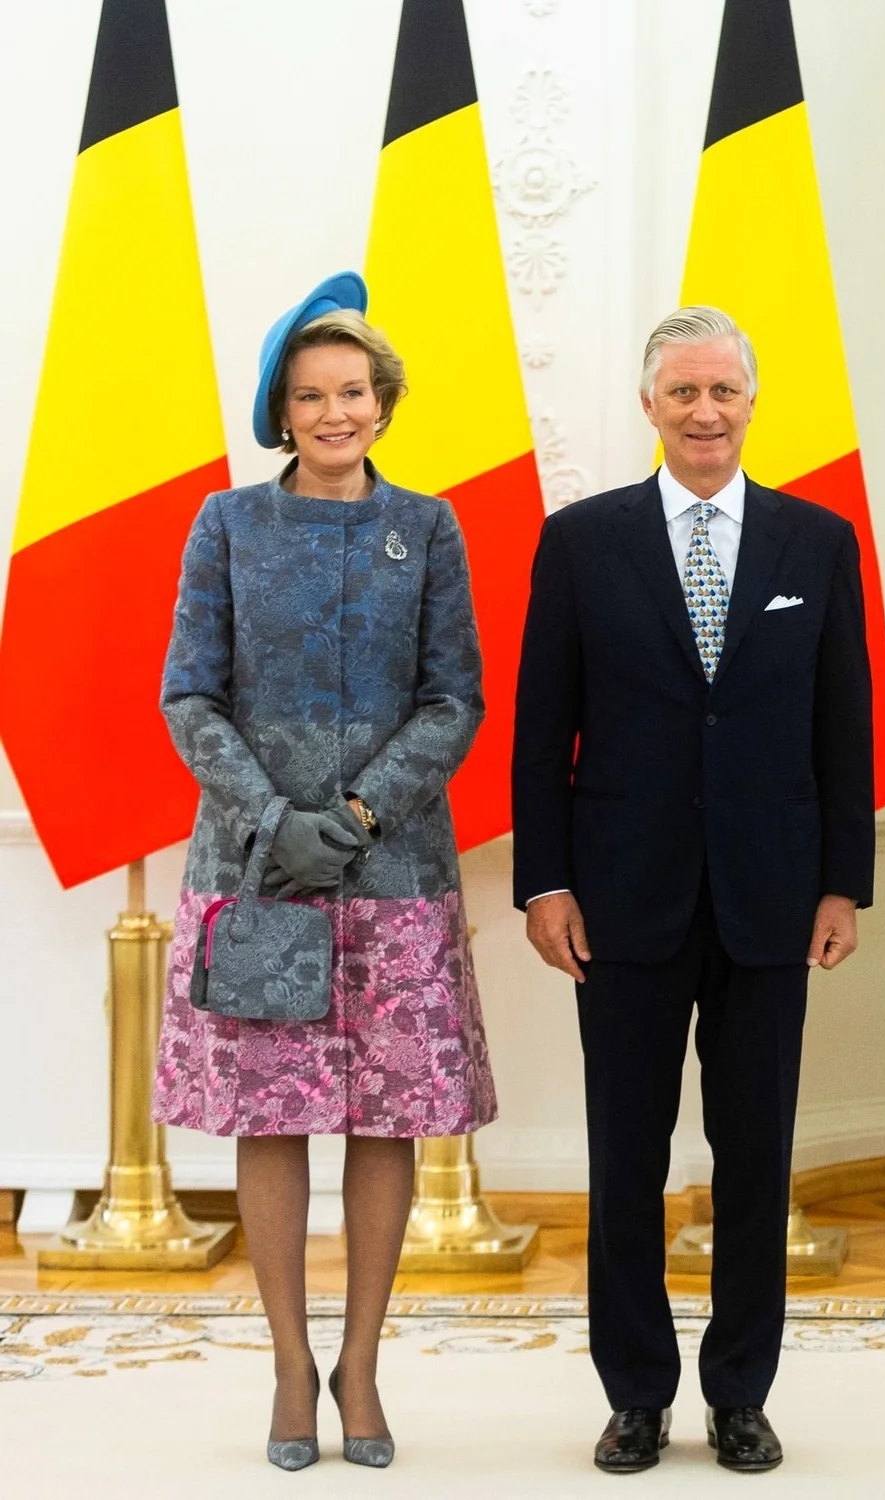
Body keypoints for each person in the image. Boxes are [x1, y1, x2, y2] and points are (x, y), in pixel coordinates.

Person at [512, 306, 874, 1474]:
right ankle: (633, 1397)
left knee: (755, 1157)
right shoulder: (580, 543)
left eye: (723, 391)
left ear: (752, 402)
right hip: (620, 900)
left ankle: (738, 1394)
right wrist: (544, 882)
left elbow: (843, 727)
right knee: (624, 1152)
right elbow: (540, 732)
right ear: (649, 407)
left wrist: (843, 885)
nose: (705, 412)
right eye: (683, 393)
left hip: (773, 899)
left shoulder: (815, 542)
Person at [152, 273, 496, 1472]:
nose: (334, 411)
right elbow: (187, 693)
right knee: (272, 1116)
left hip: (392, 869)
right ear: (280, 410)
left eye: (353, 390)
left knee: (386, 1116)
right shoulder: (225, 527)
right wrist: (270, 823)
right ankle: (291, 1365)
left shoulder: (432, 527)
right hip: (256, 877)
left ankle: (362, 1362)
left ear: (383, 401)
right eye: (310, 395)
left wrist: (350, 814)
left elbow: (457, 697)